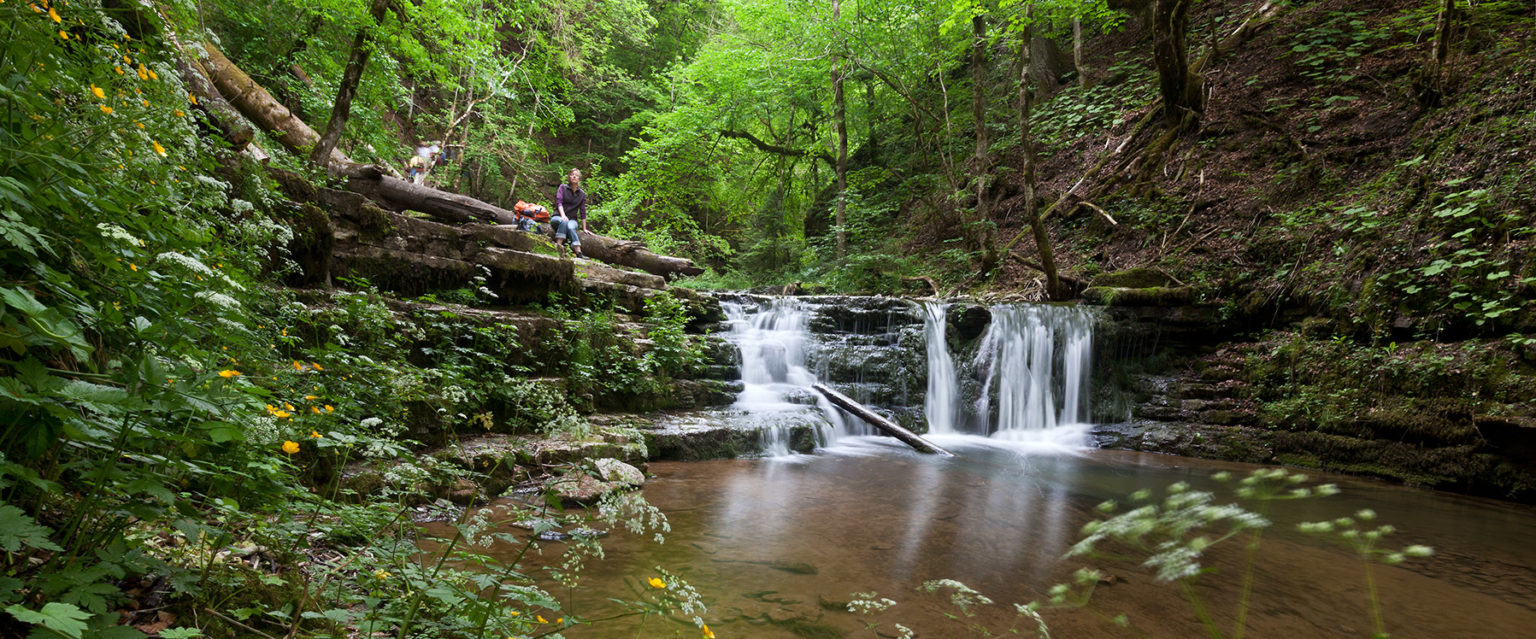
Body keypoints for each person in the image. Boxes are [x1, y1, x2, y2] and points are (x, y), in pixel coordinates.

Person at [556, 168, 589, 233]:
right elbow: (559, 203)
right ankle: (559, 242)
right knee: (564, 222)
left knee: (571, 227)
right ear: (569, 177)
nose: (574, 176)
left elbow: (583, 211)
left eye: (576, 175)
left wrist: (584, 229)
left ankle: (576, 243)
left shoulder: (582, 194)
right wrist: (563, 215)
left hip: (572, 220)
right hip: (558, 217)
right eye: (572, 174)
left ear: (579, 178)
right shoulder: (562, 187)